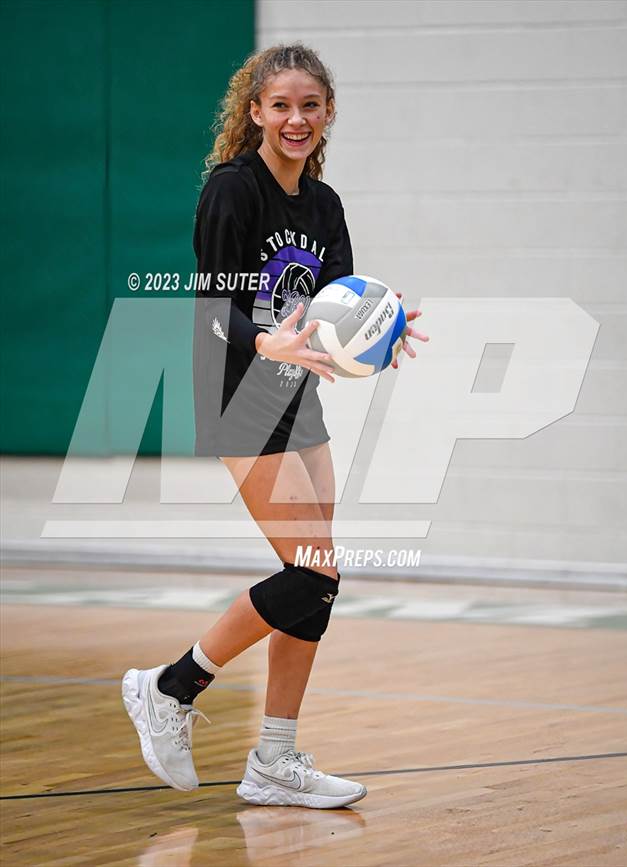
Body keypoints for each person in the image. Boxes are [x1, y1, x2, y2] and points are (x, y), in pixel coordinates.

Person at [122, 43, 427, 810]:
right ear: (255, 110)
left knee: (314, 585)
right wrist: (265, 341)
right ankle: (170, 686)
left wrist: (382, 334)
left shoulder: (323, 205)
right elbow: (209, 309)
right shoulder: (233, 190)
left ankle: (275, 759)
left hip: (299, 399)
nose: (296, 118)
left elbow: (340, 305)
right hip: (239, 397)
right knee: (314, 571)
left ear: (328, 114)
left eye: (310, 105)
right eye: (282, 104)